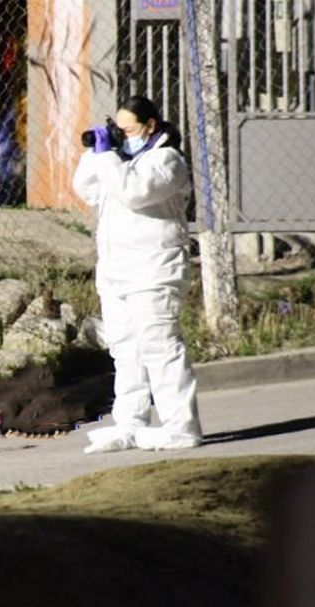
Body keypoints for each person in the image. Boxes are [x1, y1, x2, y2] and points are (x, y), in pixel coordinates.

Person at [70, 96, 203, 452]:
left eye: (127, 131)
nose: (121, 136)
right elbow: (86, 189)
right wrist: (96, 152)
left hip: (154, 269)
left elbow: (134, 193)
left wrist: (109, 157)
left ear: (150, 126)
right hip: (116, 269)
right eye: (118, 130)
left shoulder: (167, 160)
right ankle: (130, 423)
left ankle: (181, 428)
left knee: (160, 346)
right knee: (124, 349)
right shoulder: (118, 160)